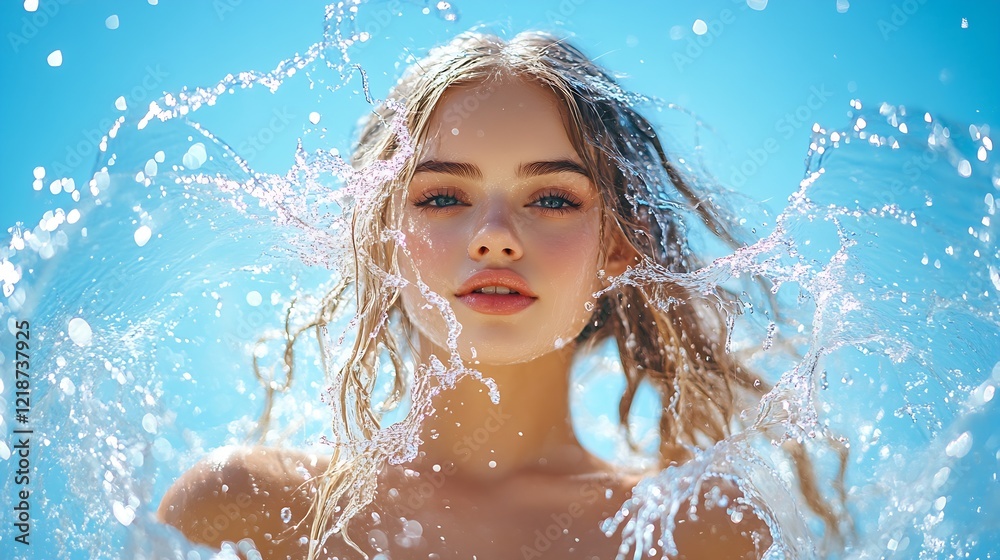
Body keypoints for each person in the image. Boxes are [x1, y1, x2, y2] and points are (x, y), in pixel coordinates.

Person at [157, 31, 842, 559]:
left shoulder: (700, 534)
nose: (493, 238)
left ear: (615, 248)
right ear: (380, 239)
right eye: (443, 196)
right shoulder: (249, 508)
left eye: (549, 197)